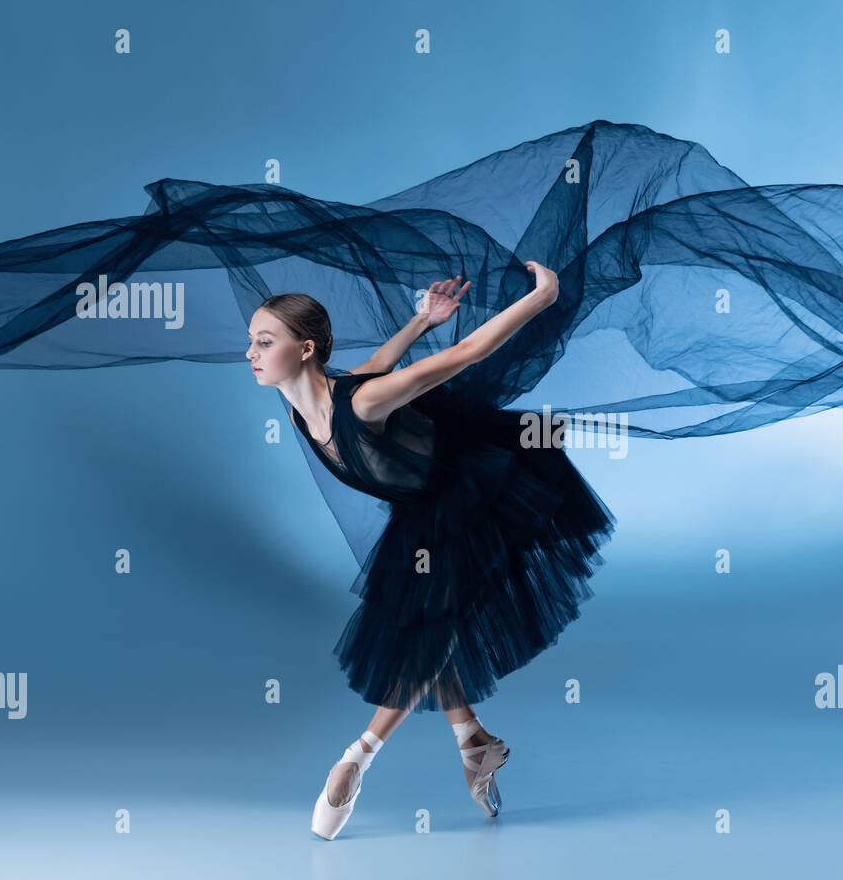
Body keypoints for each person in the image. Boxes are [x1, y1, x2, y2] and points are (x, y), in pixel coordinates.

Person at [245, 261, 616, 839]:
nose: (251, 351)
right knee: (428, 625)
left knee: (427, 627)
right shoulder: (305, 408)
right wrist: (420, 320)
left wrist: (543, 298)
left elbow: (466, 353)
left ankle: (356, 760)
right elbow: (373, 366)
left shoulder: (364, 403)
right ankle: (474, 742)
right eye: (251, 341)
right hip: (421, 515)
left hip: (476, 494)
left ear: (305, 348)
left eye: (264, 341)